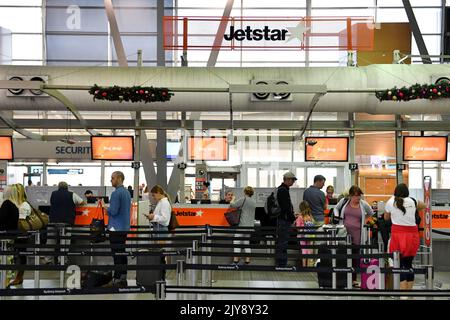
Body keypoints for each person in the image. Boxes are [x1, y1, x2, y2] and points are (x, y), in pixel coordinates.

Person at [384, 183, 424, 291]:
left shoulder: (391, 201)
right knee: (408, 264)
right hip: (412, 235)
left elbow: (386, 218)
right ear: (407, 192)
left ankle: (403, 294)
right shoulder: (412, 200)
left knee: (399, 264)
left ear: (395, 191)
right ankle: (409, 293)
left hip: (398, 235)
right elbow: (424, 205)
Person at [333, 185, 373, 288]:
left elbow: (370, 213)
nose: (358, 198)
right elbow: (336, 209)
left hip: (358, 234)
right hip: (344, 233)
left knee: (355, 257)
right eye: (355, 196)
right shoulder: (344, 201)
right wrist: (337, 217)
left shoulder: (363, 204)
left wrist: (364, 220)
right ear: (350, 195)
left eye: (359, 196)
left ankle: (353, 279)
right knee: (344, 255)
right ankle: (343, 278)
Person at [47, 182, 86, 265]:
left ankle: (48, 260)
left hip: (52, 221)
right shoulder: (72, 194)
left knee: (50, 242)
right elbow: (82, 203)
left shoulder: (53, 194)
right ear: (67, 187)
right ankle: (62, 261)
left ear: (58, 187)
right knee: (64, 243)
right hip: (66, 222)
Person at [104, 171, 131, 287]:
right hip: (124, 227)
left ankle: (116, 278)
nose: (111, 180)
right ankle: (123, 277)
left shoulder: (115, 194)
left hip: (115, 228)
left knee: (116, 254)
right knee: (122, 252)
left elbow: (114, 211)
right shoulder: (127, 192)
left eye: (113, 178)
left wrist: (106, 209)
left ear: (119, 178)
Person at [8, 183, 32, 287]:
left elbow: (20, 221)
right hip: (16, 233)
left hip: (21, 234)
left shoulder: (24, 205)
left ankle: (19, 276)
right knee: (16, 255)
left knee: (21, 256)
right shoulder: (18, 204)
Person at [275, 171, 297, 267]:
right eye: (292, 180)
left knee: (281, 241)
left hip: (282, 219)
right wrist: (292, 217)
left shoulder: (282, 189)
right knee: (283, 242)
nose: (293, 182)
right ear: (287, 179)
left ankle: (281, 263)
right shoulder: (283, 190)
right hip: (284, 220)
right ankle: (281, 264)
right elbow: (285, 207)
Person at [231, 186, 256, 264]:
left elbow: (233, 205)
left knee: (236, 241)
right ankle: (247, 260)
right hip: (250, 226)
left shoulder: (243, 199)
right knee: (246, 242)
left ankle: (236, 259)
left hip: (242, 225)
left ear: (245, 192)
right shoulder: (253, 201)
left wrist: (233, 198)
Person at [295, 201, 315, 267]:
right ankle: (309, 266)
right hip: (310, 235)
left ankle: (304, 266)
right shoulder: (310, 216)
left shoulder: (300, 217)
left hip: (302, 235)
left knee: (304, 250)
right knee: (309, 250)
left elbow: (298, 227)